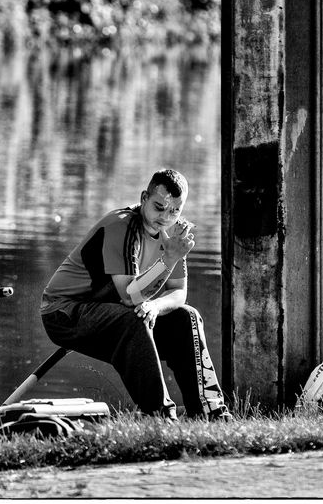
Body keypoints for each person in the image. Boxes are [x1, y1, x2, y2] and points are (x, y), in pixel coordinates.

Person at [40, 169, 229, 420]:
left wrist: (155, 307)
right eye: (159, 207)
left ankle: (211, 413)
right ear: (143, 198)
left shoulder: (172, 233)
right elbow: (130, 297)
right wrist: (169, 258)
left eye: (174, 211)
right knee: (134, 317)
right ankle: (161, 418)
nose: (165, 217)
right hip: (64, 312)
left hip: (113, 310)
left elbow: (178, 293)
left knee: (187, 317)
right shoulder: (122, 226)